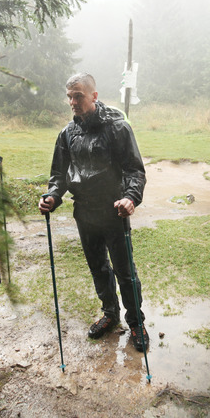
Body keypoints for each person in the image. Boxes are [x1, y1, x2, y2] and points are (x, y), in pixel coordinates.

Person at [38, 73, 149, 352]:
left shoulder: (118, 128)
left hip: (114, 210)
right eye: (69, 96)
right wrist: (52, 196)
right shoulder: (67, 133)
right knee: (98, 267)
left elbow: (134, 169)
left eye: (78, 96)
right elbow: (58, 175)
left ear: (94, 96)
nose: (72, 102)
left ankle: (136, 321)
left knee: (125, 271)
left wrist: (130, 197)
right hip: (84, 211)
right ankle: (110, 314)